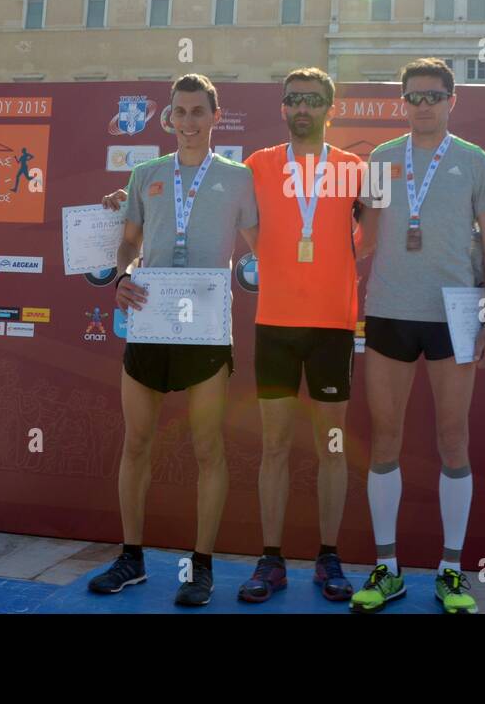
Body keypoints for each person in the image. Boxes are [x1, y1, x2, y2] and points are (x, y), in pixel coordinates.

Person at [88, 73, 258, 607]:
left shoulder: (239, 177)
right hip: (150, 322)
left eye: (197, 112)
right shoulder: (145, 173)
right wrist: (121, 276)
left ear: (215, 116)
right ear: (169, 117)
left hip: (206, 329)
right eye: (179, 112)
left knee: (208, 448)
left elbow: (260, 247)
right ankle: (131, 558)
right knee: (137, 443)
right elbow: (129, 245)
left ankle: (201, 568)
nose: (188, 122)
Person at [349, 57, 485, 615]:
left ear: (451, 99)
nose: (422, 106)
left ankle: (452, 571)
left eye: (432, 96)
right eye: (413, 97)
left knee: (453, 440)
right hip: (390, 310)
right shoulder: (381, 159)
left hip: (456, 313)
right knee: (385, 439)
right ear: (403, 102)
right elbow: (362, 241)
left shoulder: (474, 160)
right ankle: (387, 567)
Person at [234, 68, 364, 603]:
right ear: (283, 108)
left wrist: (336, 251)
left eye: (312, 100)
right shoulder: (258, 165)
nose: (302, 108)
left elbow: (371, 231)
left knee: (332, 447)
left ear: (331, 108)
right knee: (275, 447)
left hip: (333, 325)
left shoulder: (355, 168)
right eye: (293, 100)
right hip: (275, 326)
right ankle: (271, 560)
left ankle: (328, 556)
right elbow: (242, 218)